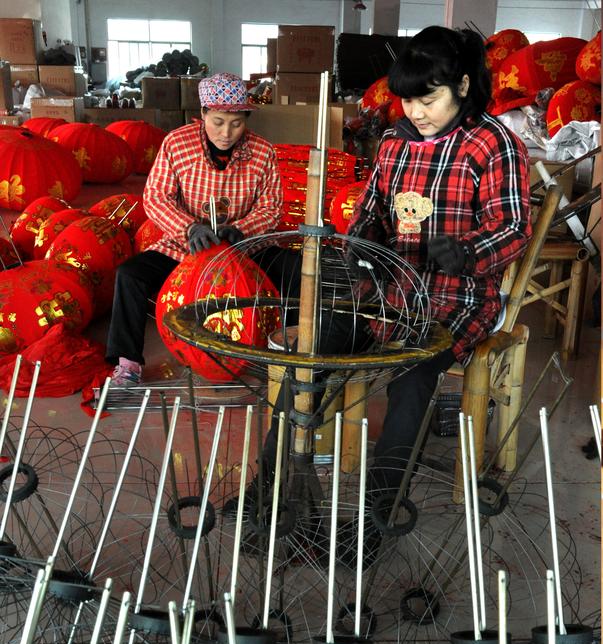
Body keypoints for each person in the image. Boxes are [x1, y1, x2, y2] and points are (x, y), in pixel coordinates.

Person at [238, 26, 533, 564]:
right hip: (384, 291)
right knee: (311, 349)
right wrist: (358, 247)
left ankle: (378, 513)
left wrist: (467, 253)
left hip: (455, 300)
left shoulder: (494, 144)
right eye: (408, 99)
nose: (416, 111)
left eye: (430, 98)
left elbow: (513, 228)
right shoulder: (395, 142)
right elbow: (372, 209)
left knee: (413, 375)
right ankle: (271, 493)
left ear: (463, 85)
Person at [106, 72, 284, 386]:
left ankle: (284, 354)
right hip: (186, 249)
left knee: (293, 270)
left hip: (242, 250)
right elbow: (156, 197)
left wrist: (240, 230)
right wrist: (189, 229)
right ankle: (128, 363)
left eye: (236, 123)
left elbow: (271, 208)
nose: (227, 133)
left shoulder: (263, 152)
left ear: (246, 118)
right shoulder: (176, 143)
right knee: (130, 275)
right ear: (202, 114)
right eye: (218, 121)